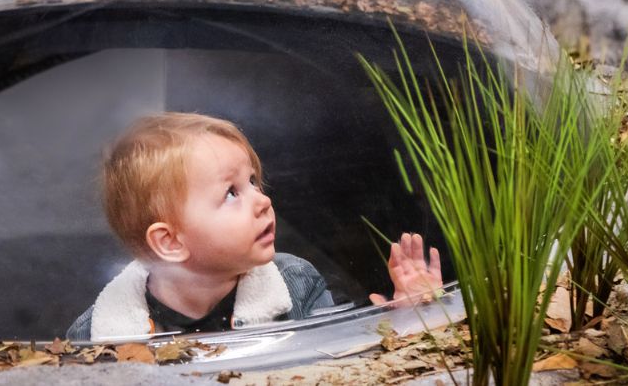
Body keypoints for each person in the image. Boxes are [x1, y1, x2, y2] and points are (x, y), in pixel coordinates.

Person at [67, 112, 442, 340]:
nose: (262, 201)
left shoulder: (297, 283)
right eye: (231, 192)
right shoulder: (99, 335)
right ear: (169, 241)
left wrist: (407, 315)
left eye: (254, 182)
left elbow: (336, 362)